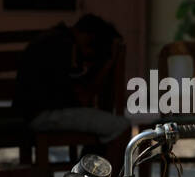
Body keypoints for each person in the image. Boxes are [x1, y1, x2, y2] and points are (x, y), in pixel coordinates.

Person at [14, 14, 129, 143]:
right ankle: (101, 163)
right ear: (88, 36)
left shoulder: (58, 38)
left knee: (107, 126)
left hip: (34, 113)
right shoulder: (65, 46)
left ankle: (91, 160)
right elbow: (83, 98)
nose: (90, 53)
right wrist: (109, 63)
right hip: (43, 115)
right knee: (121, 127)